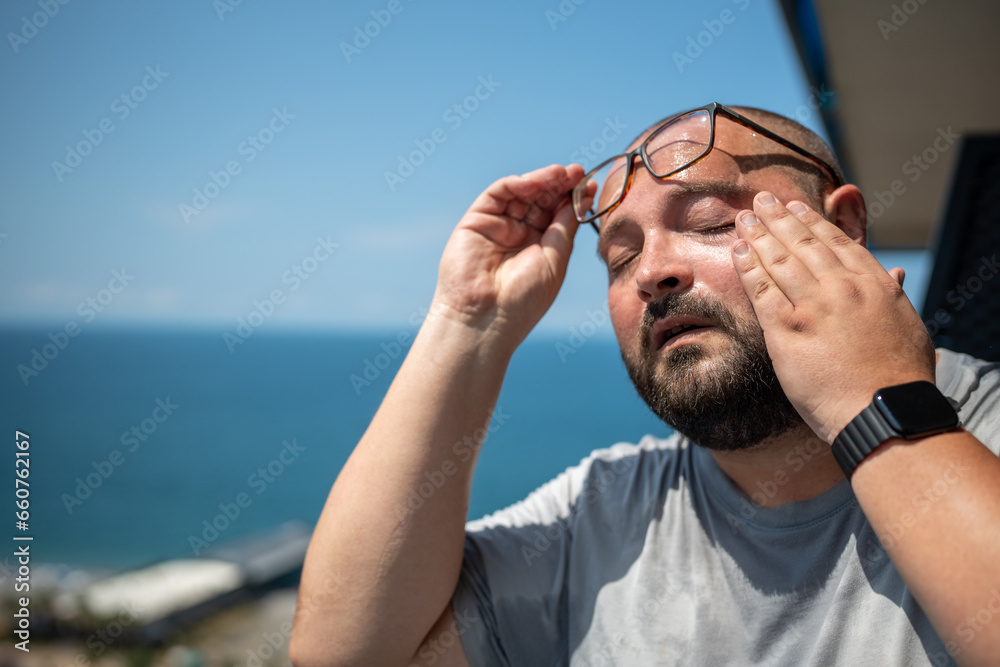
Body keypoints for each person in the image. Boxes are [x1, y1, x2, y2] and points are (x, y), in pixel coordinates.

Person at [289, 103, 1000, 667]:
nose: (652, 271)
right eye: (618, 257)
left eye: (710, 222)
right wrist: (470, 321)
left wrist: (871, 396)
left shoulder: (983, 426)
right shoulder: (603, 515)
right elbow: (346, 649)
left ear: (843, 227)